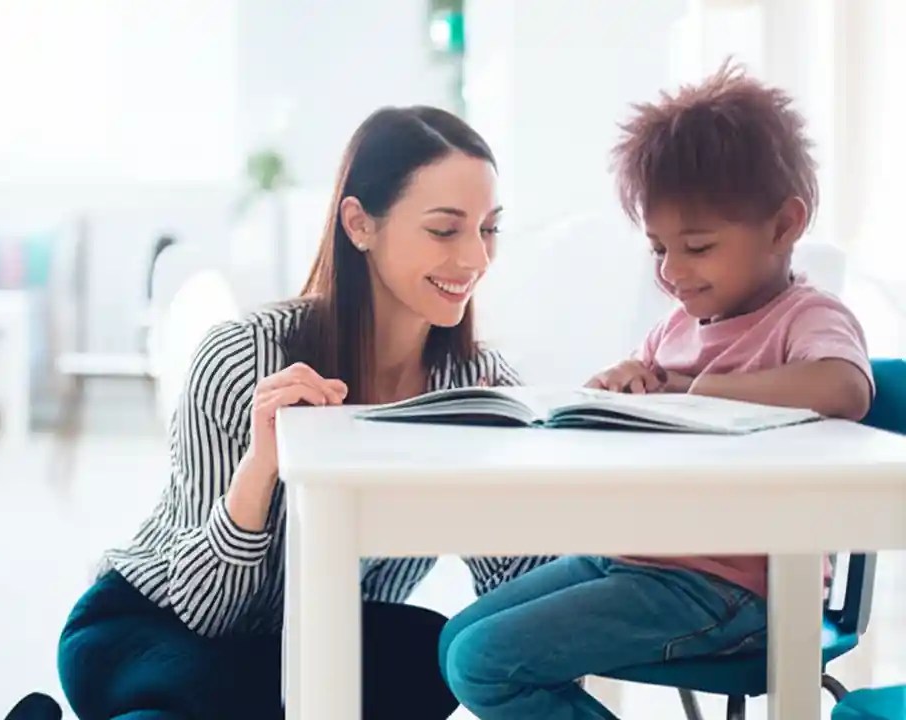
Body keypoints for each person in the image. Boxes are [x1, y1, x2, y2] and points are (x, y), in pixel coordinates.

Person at [46, 105, 554, 720]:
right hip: (160, 624)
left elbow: (515, 602)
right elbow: (210, 612)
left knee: (432, 652)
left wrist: (528, 468)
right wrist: (261, 468)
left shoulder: (476, 386)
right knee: (201, 692)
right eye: (445, 231)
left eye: (489, 229)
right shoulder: (244, 356)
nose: (475, 259)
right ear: (359, 224)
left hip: (311, 640)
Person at [438, 62, 876, 720]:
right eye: (658, 249)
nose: (672, 271)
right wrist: (620, 390)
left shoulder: (806, 318)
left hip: (736, 583)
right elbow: (642, 414)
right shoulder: (675, 328)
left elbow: (844, 386)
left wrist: (703, 389)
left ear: (785, 226)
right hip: (636, 557)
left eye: (697, 246)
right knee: (456, 641)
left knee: (486, 662)